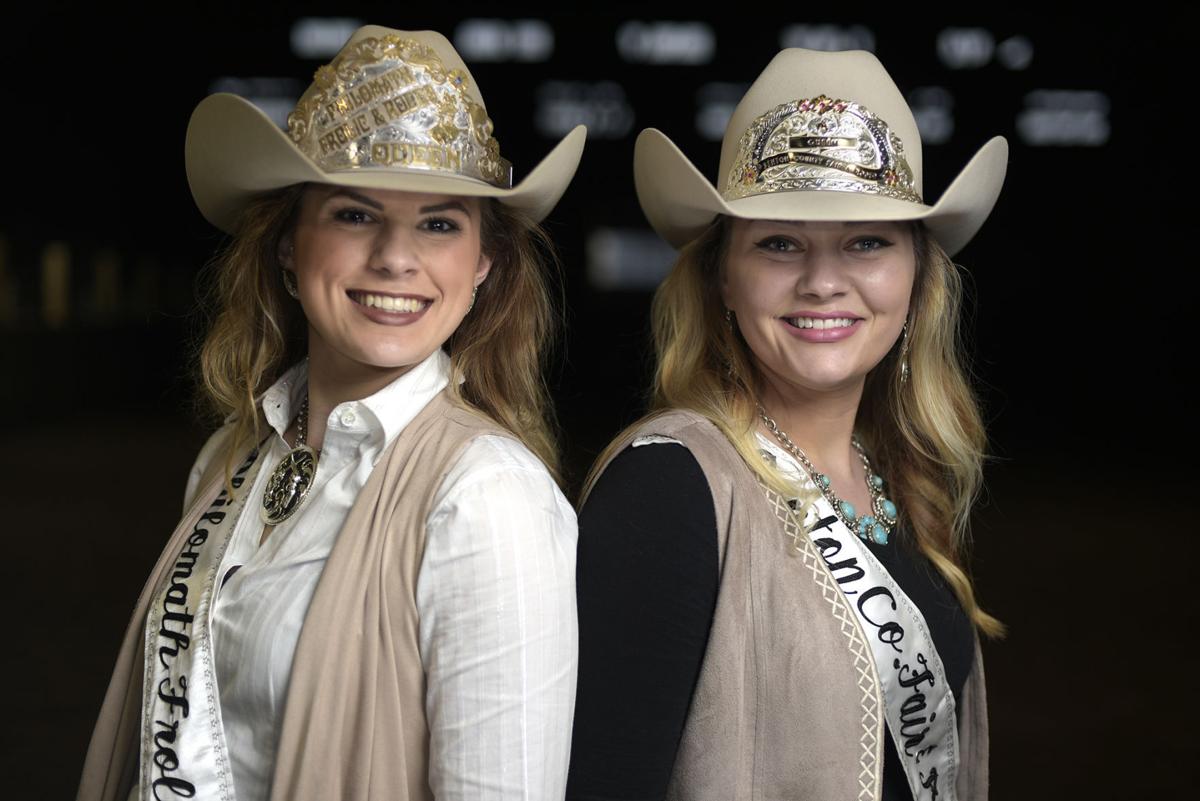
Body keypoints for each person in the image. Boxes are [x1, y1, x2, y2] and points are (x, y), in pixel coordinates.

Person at [77, 26, 586, 801]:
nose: (394, 257)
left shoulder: (488, 497)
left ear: (483, 263)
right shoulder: (232, 455)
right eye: (354, 214)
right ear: (287, 242)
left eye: (440, 223)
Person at [567, 48, 1006, 801]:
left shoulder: (895, 477)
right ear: (723, 280)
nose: (823, 280)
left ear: (916, 278)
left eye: (867, 241)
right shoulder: (668, 489)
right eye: (779, 242)